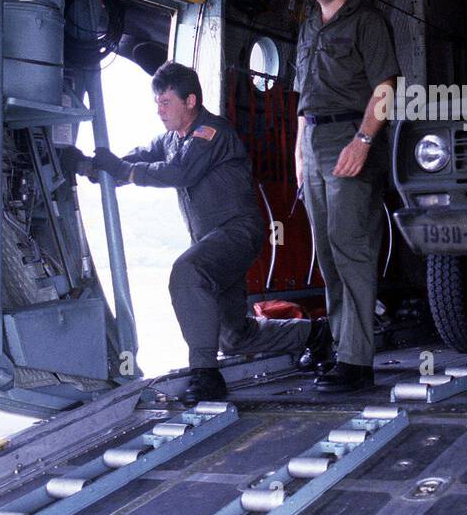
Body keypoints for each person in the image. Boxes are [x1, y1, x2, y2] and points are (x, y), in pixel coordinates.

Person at [61, 61, 332, 403]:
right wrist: (88, 164)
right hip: (214, 243)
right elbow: (130, 165)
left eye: (165, 102)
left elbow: (178, 172)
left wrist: (124, 169)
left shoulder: (211, 132)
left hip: (238, 232)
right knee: (235, 337)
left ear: (190, 101)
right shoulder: (171, 139)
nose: (159, 110)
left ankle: (205, 375)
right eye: (157, 102)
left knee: (186, 273)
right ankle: (314, 333)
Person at [292, 0, 399, 392]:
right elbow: (302, 97)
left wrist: (361, 141)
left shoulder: (367, 22)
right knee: (328, 250)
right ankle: (342, 350)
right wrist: (299, 151)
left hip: (349, 135)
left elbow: (386, 89)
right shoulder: (309, 27)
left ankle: (357, 361)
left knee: (351, 244)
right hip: (314, 138)